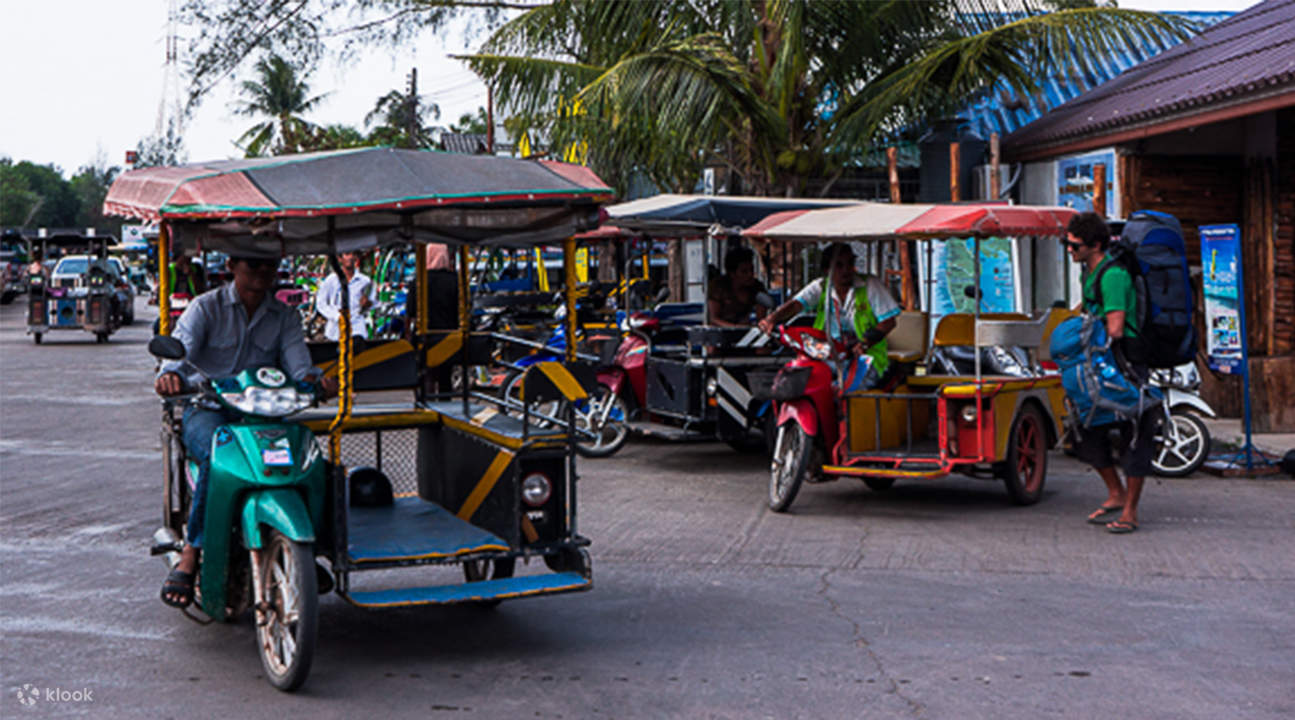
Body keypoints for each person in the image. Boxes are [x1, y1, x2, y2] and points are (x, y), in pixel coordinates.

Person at [154, 254, 338, 608]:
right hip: (208, 408)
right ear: (232, 268)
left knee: (310, 459)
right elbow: (177, 355)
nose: (262, 272)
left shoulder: (284, 316)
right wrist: (171, 375)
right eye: (253, 265)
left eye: (268, 265)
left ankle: (309, 549)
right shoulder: (204, 308)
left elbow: (299, 367)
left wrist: (317, 383)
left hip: (264, 414)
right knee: (216, 456)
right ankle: (192, 552)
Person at [1065, 211, 1161, 535]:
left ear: (1095, 245)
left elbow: (1116, 328)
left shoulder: (1114, 275)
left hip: (1124, 360)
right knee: (1086, 426)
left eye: (1074, 246)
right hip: (1100, 359)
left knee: (1135, 430)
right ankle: (1116, 492)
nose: (1069, 250)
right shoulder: (1087, 274)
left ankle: (1131, 511)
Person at [758, 242, 899, 390]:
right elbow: (795, 305)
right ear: (826, 269)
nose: (846, 270)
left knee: (843, 391)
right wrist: (772, 319)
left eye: (849, 264)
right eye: (839, 265)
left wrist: (865, 343)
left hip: (866, 360)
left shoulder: (870, 284)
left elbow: (888, 322)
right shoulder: (821, 286)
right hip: (826, 355)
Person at [315, 251, 376, 342]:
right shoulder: (330, 280)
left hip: (357, 330)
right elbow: (320, 304)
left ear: (356, 258)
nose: (350, 257)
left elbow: (374, 302)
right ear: (340, 258)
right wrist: (336, 316)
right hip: (335, 332)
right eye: (347, 254)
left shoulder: (365, 281)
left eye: (353, 254)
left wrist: (367, 303)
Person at [707, 246, 768, 327]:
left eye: (752, 270)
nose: (750, 275)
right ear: (732, 274)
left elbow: (761, 318)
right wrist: (735, 327)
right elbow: (713, 319)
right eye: (744, 272)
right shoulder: (718, 287)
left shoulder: (756, 287)